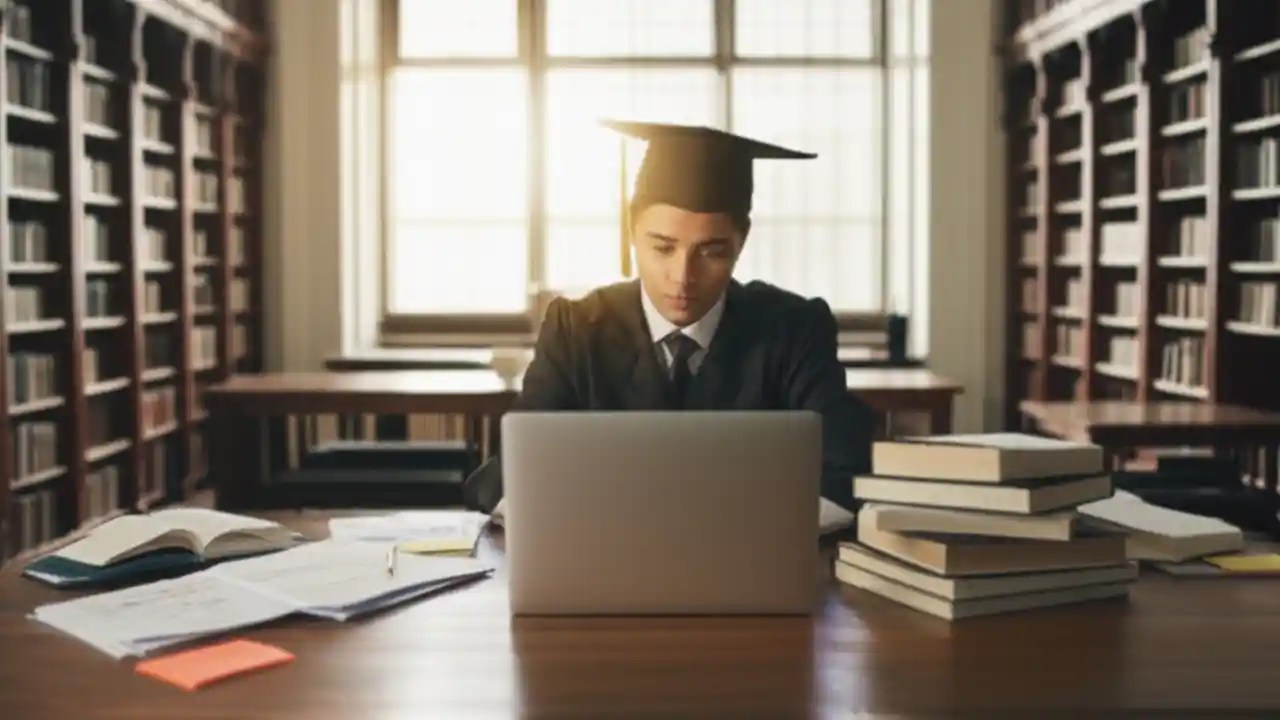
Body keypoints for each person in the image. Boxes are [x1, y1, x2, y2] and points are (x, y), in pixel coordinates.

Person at [462, 119, 874, 513]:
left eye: (711, 252)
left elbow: (848, 474)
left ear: (741, 242)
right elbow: (507, 477)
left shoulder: (793, 330)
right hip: (602, 567)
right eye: (662, 248)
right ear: (631, 232)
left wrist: (743, 527)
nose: (683, 277)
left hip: (751, 569)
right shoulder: (577, 330)